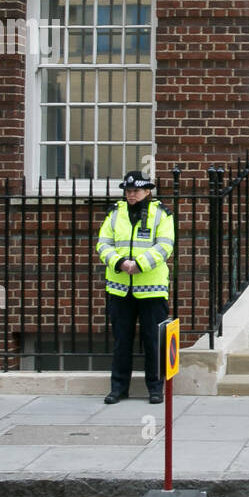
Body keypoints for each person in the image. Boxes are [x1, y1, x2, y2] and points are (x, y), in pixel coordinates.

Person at [95, 171, 175, 404]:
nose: (131, 195)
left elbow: (165, 246)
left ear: (147, 191)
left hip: (152, 288)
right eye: (128, 191)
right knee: (122, 341)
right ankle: (118, 388)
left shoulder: (162, 215)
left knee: (153, 341)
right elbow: (103, 244)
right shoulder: (115, 213)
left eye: (136, 191)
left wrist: (139, 265)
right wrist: (120, 263)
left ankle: (155, 388)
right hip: (120, 288)